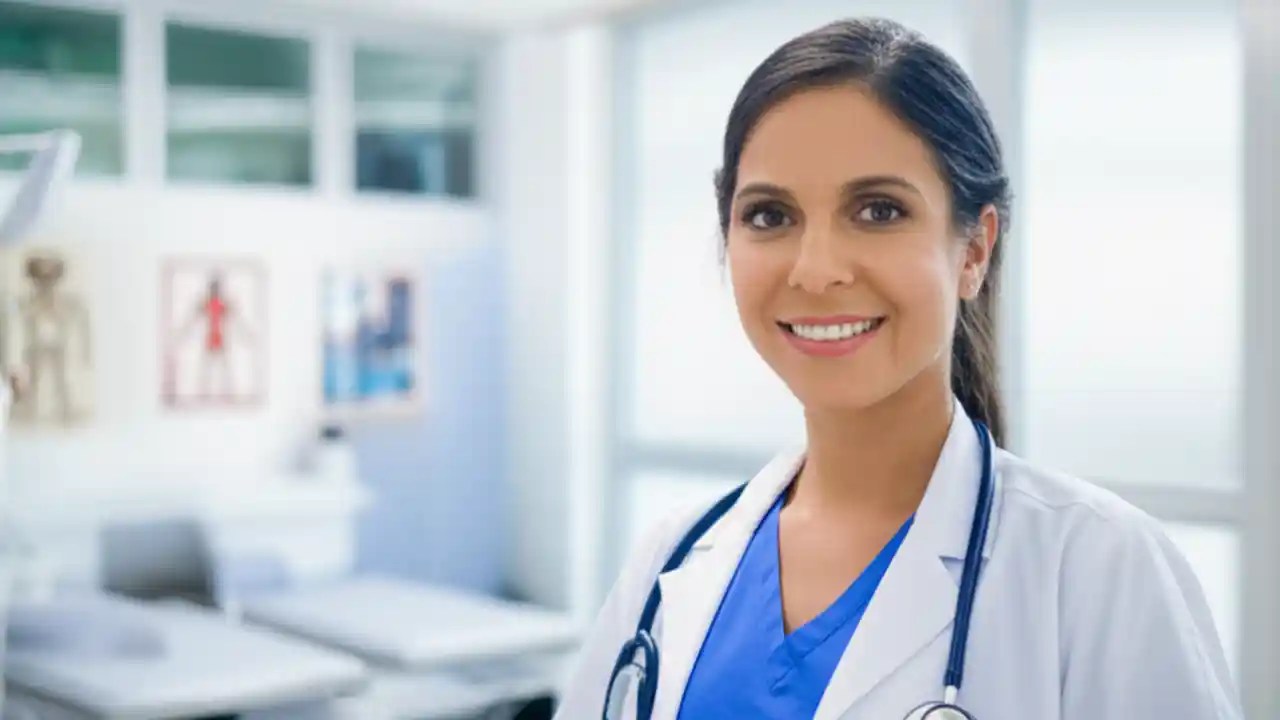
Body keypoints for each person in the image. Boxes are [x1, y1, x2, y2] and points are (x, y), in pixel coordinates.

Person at [554, 17, 1242, 720]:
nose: (815, 271)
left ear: (974, 250)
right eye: (769, 215)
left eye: (878, 210)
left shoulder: (1100, 570)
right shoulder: (674, 557)